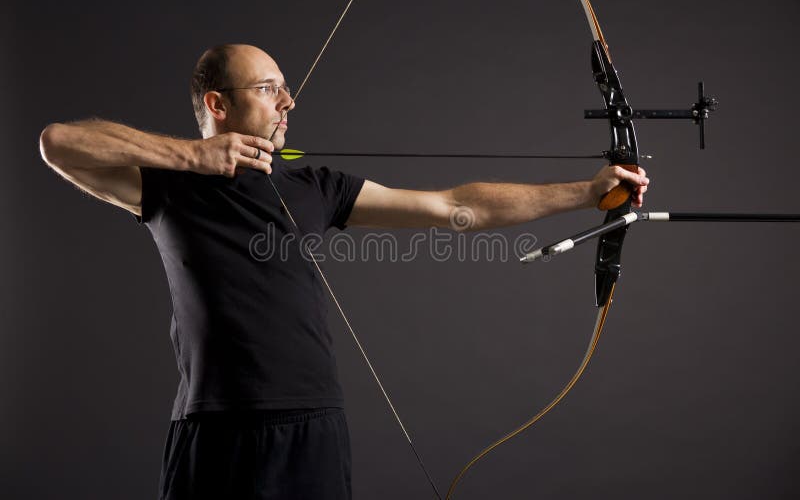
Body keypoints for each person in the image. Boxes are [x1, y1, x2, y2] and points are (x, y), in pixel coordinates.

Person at [39, 43, 649, 500]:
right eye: (269, 88)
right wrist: (192, 155)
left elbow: (454, 206)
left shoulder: (314, 186)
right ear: (217, 104)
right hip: (216, 426)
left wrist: (588, 193)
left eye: (286, 89)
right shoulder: (168, 184)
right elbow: (58, 142)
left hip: (312, 425)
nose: (287, 101)